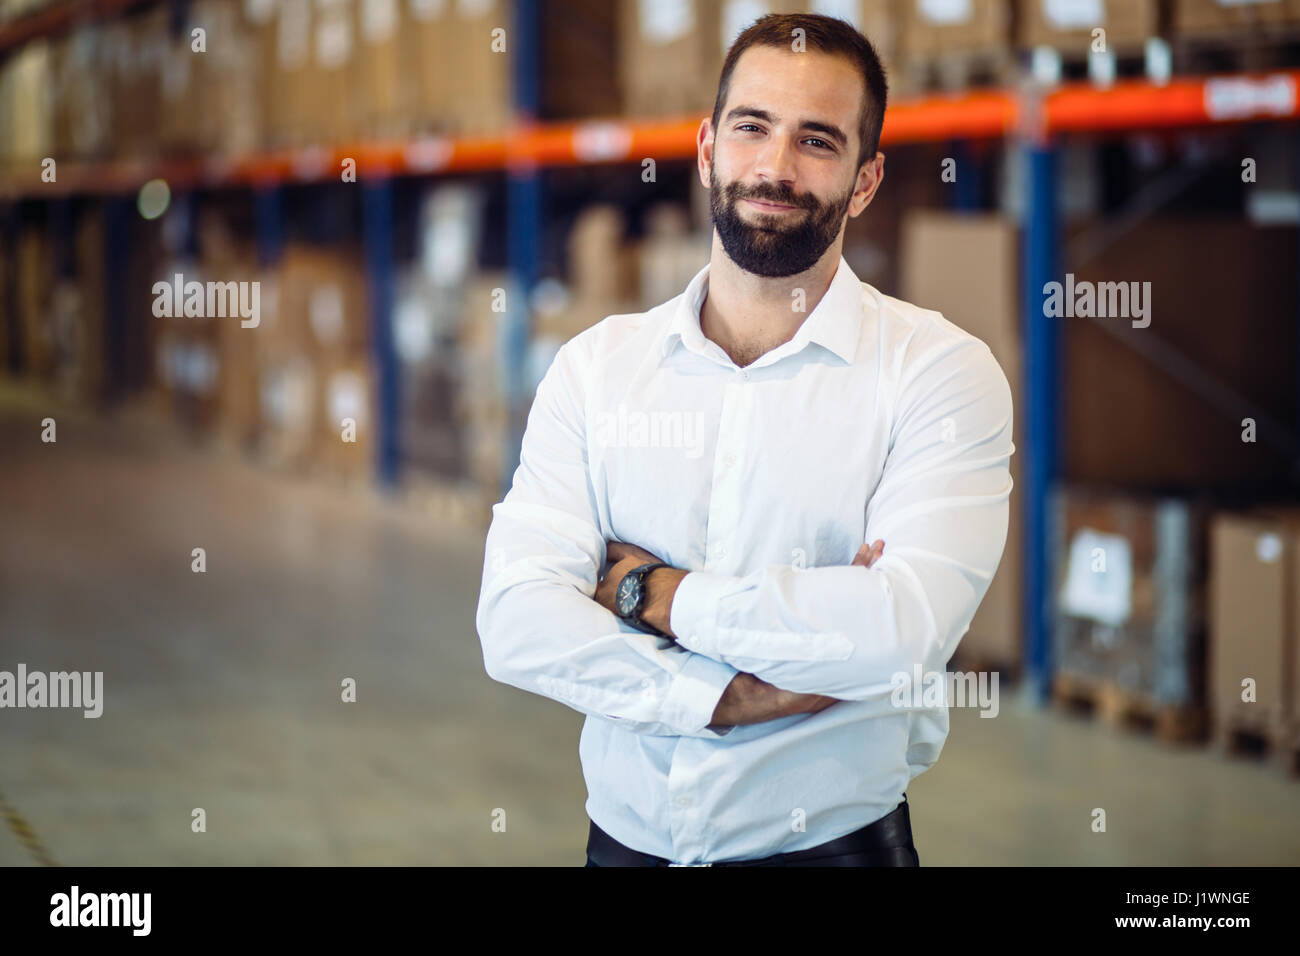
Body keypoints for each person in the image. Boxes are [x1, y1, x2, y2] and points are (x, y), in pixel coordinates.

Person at [475, 12, 1014, 867]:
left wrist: (651, 593)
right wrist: (720, 695)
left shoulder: (937, 375)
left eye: (817, 141)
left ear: (866, 181)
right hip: (621, 848)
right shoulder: (597, 370)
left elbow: (900, 629)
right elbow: (513, 622)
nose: (774, 167)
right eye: (752, 127)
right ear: (705, 148)